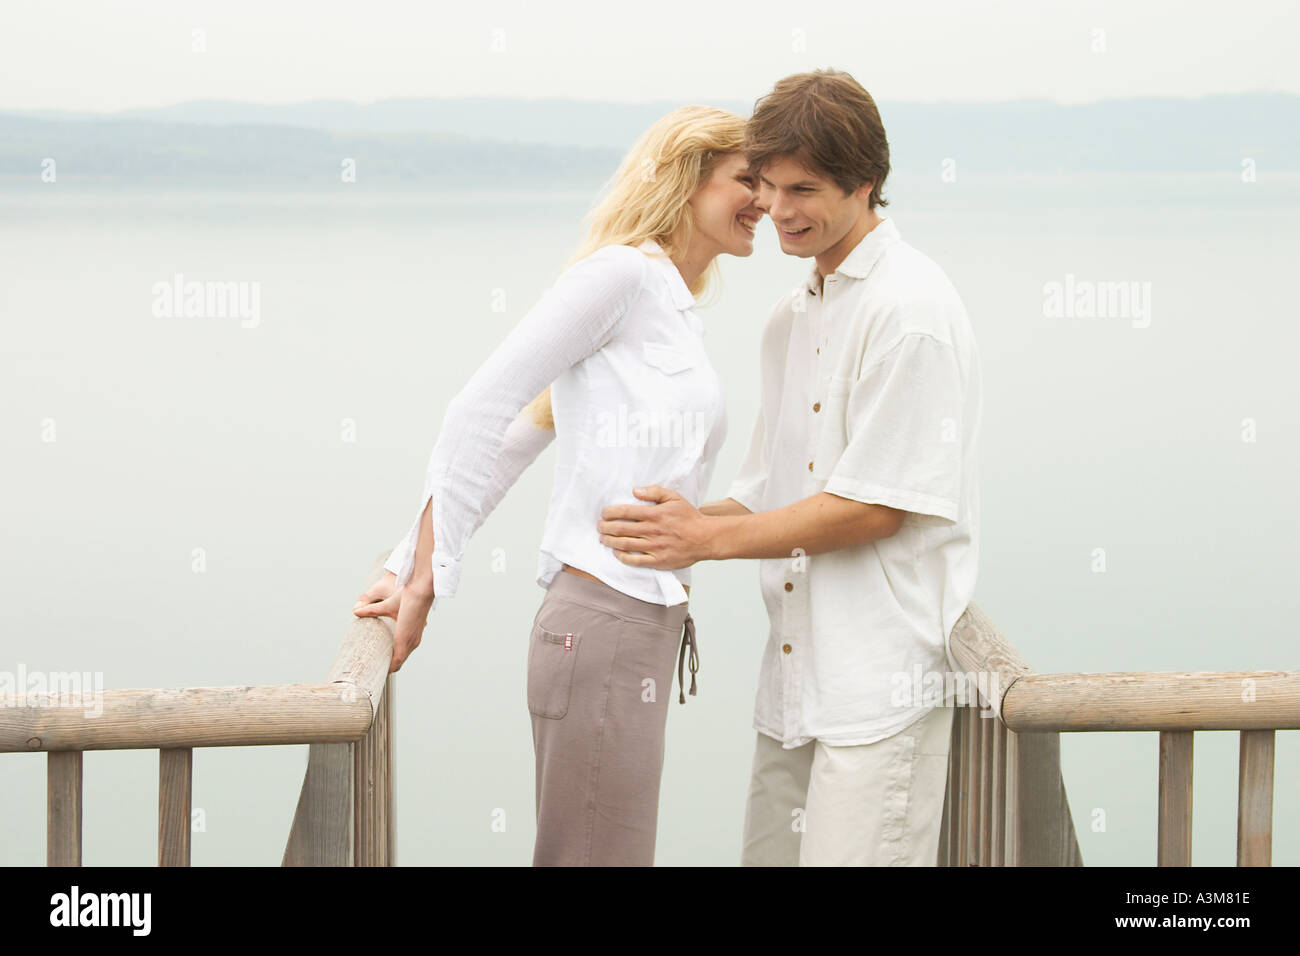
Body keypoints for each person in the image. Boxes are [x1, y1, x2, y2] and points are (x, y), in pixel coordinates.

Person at [351, 105, 764, 866]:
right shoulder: (622, 277)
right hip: (601, 624)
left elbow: (517, 439)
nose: (766, 201)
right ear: (687, 176)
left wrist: (412, 553)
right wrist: (424, 579)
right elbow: (480, 409)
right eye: (748, 179)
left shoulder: (673, 305)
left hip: (631, 630)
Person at [597, 69, 983, 866]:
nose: (777, 209)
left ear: (866, 184)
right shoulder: (793, 312)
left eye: (803, 189)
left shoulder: (910, 310)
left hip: (881, 691)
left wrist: (702, 541)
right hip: (794, 686)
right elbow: (767, 491)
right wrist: (680, 520)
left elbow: (874, 508)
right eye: (767, 186)